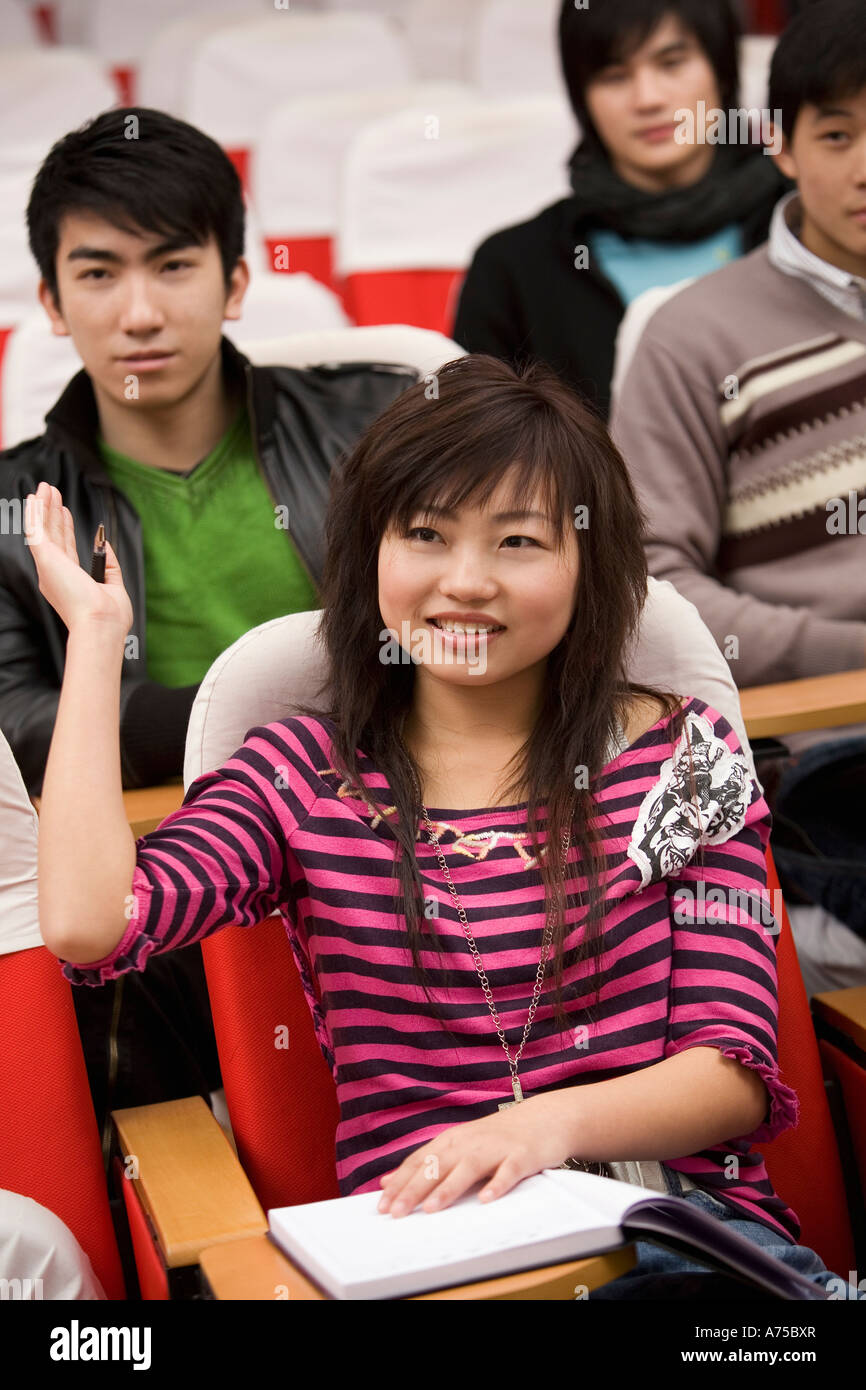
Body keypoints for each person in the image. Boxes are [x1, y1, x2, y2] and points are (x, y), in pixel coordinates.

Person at [28, 354, 852, 1298]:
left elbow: (731, 1073)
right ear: (370, 551)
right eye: (425, 533)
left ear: (591, 564)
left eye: (518, 541)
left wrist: (538, 1128)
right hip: (439, 1264)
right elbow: (92, 923)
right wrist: (95, 640)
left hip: (683, 1240)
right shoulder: (301, 777)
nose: (466, 581)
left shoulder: (687, 759)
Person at [0, 106, 416, 1145]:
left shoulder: (384, 424)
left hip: (411, 822)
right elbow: (18, 726)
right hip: (168, 875)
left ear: (235, 283)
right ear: (50, 302)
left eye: (174, 266)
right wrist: (245, 722)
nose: (140, 311)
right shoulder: (11, 510)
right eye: (99, 273)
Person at [611, 0, 866, 953]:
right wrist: (845, 653)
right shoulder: (693, 334)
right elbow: (649, 585)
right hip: (826, 741)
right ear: (781, 146)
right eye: (837, 134)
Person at [452, 0, 788, 418]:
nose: (647, 99)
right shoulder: (513, 269)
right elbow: (480, 447)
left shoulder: (806, 219)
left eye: (671, 63)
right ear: (581, 98)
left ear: (722, 70)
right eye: (614, 76)